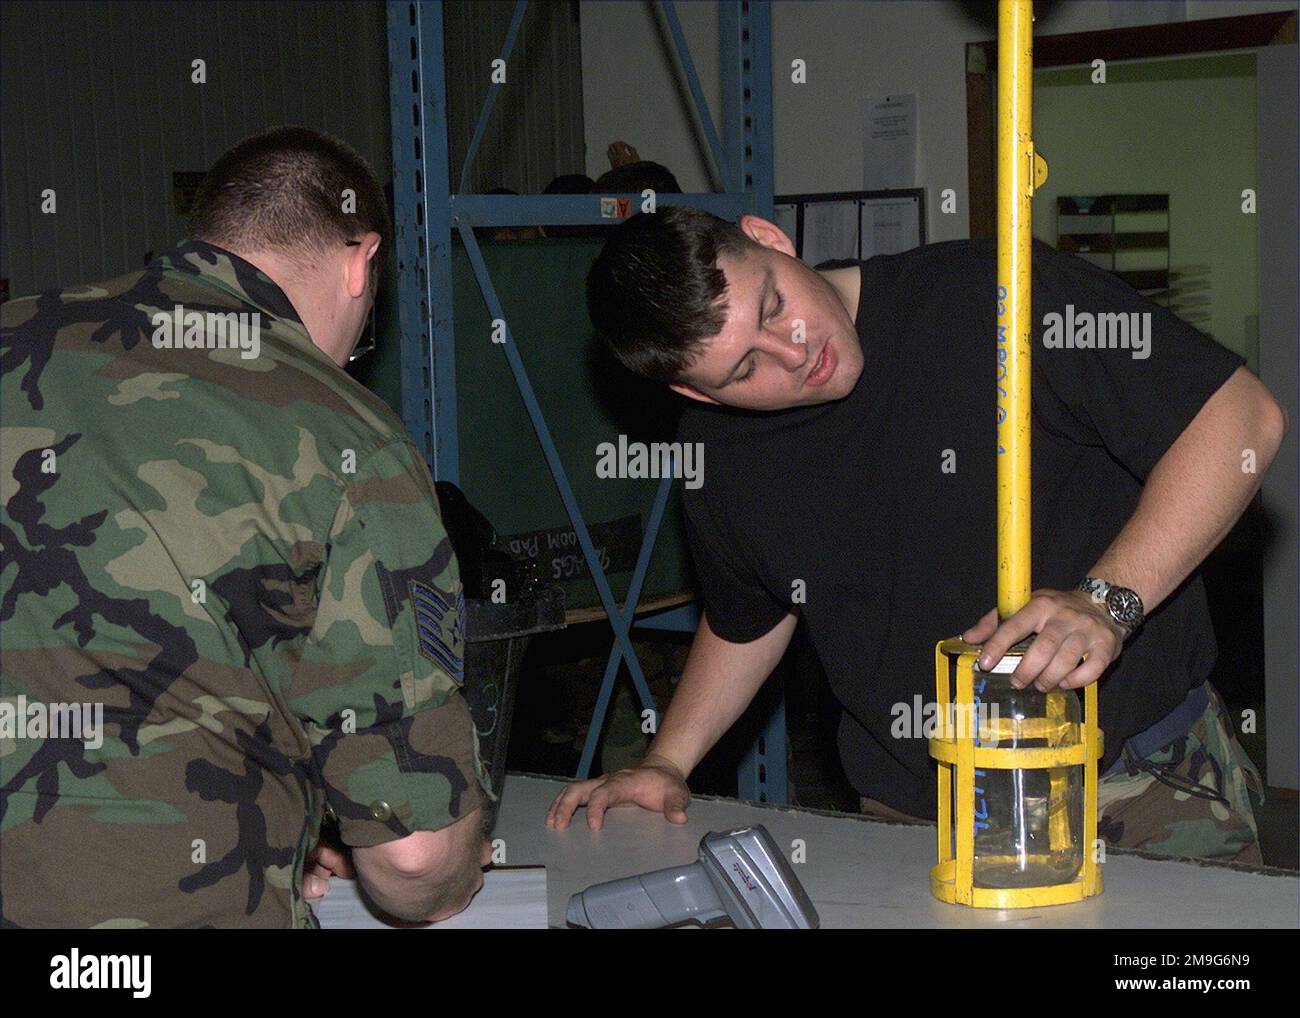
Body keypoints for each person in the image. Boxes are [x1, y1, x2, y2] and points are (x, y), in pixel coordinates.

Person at [550, 205, 1287, 866]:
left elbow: (1240, 420)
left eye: (774, 306)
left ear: (768, 238)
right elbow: (749, 616)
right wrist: (668, 762)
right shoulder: (718, 458)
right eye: (745, 368)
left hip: (1138, 789)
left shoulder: (996, 294)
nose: (794, 350)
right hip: (915, 820)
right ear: (693, 392)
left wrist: (1106, 601)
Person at [0, 125, 494, 927]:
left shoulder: (17, 332)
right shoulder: (345, 434)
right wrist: (459, 874)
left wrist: (274, 826)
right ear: (360, 262)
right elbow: (413, 853)